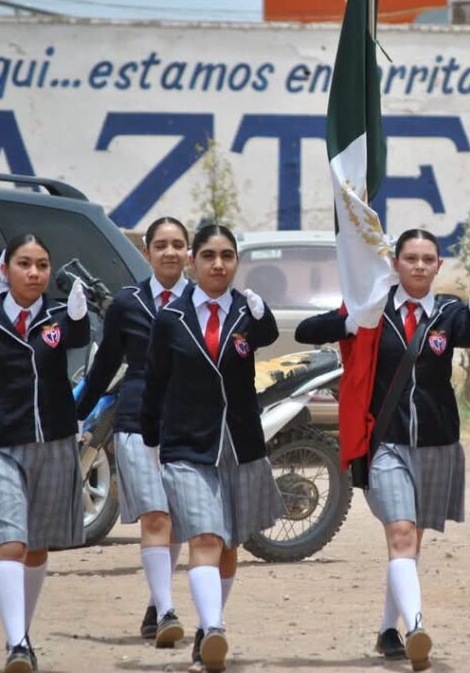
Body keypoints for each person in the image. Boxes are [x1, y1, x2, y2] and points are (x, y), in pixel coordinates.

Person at [295, 229, 470, 672]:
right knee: (401, 534)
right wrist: (349, 321)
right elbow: (308, 330)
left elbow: (468, 333)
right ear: (395, 264)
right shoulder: (372, 309)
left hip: (437, 443)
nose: (419, 266)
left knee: (410, 545)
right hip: (385, 445)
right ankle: (417, 626)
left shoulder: (446, 312)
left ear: (439, 266)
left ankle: (388, 630)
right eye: (411, 258)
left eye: (427, 259)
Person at [141, 223, 285, 673]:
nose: (217, 264)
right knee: (204, 537)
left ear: (237, 262)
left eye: (226, 255)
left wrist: (260, 315)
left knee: (227, 546)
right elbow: (155, 383)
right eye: (208, 255)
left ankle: (206, 630)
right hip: (187, 444)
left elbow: (268, 336)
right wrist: (150, 442)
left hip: (239, 443)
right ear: (193, 262)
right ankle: (216, 626)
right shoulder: (171, 318)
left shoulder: (247, 312)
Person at [0, 233, 90, 673]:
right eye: (24, 264)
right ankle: (16, 643)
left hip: (52, 442)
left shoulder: (56, 314)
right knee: (10, 543)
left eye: (41, 265)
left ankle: (23, 635)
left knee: (36, 548)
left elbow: (77, 340)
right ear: (5, 269)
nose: (34, 273)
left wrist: (78, 312)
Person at [75, 216, 190, 646]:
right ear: (147, 252)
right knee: (155, 515)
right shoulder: (127, 303)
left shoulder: (202, 300)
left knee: (176, 519)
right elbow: (106, 365)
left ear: (189, 253)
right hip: (137, 419)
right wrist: (78, 415)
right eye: (161, 245)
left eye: (178, 244)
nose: (170, 252)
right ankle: (167, 612)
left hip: (187, 423)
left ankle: (155, 605)